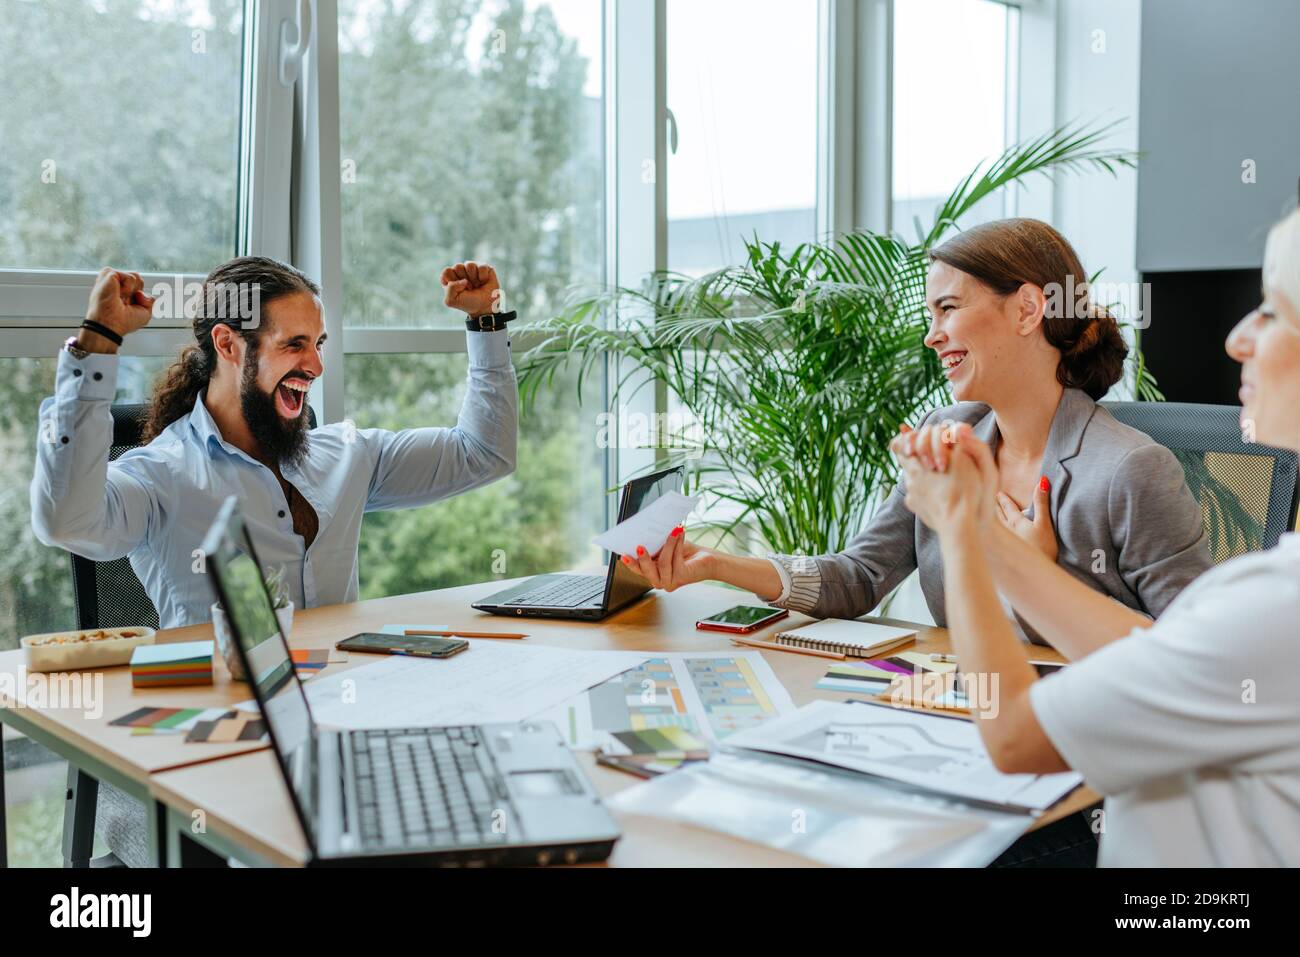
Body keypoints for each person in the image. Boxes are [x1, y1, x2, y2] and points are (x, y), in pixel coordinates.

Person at [30, 255, 519, 865]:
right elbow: (67, 521)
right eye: (295, 345)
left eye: (319, 344)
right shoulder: (162, 475)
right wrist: (97, 346)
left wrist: (486, 322)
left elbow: (483, 454)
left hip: (337, 722)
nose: (315, 365)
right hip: (212, 749)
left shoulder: (346, 454)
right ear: (229, 345)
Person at [892, 207, 1300, 866]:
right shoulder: (1271, 595)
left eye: (1274, 311)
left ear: (1029, 311)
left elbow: (1015, 737)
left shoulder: (1276, 604)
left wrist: (965, 530)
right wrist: (990, 536)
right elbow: (1159, 651)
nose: (1236, 338)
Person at [621, 218, 1212, 649]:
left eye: (948, 308)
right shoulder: (948, 437)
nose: (932, 335)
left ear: (1028, 310)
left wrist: (1036, 576)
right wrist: (716, 565)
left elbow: (1198, 656)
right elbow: (859, 578)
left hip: (1079, 740)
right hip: (961, 714)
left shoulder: (1130, 470)